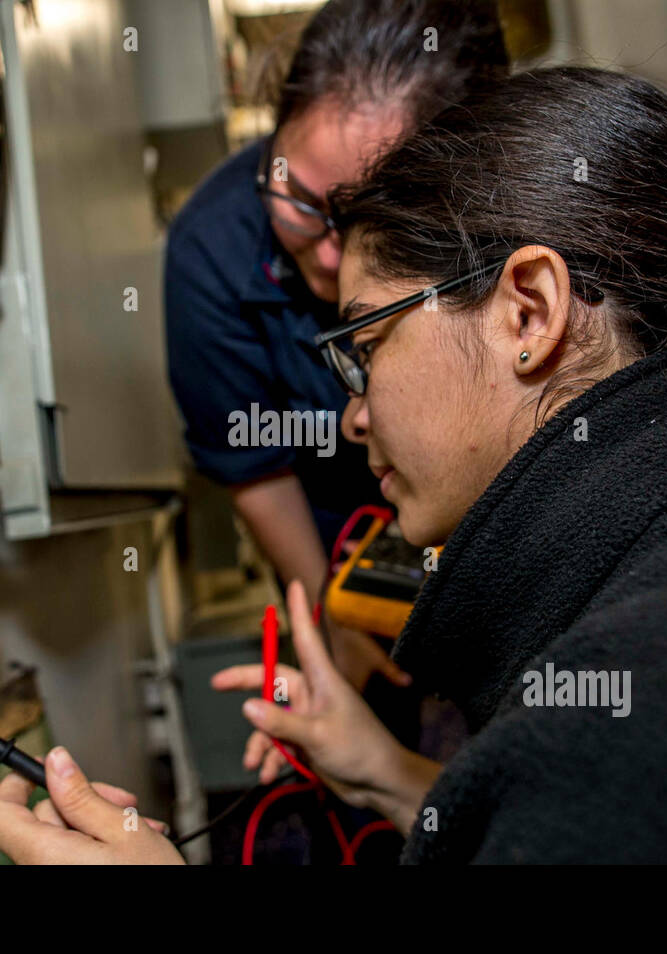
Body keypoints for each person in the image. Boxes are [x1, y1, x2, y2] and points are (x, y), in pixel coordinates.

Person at [0, 66, 667, 864]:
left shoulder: (665, 715)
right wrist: (386, 773)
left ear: (528, 312)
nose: (353, 416)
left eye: (365, 342)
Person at [163, 0, 507, 693]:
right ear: (276, 129)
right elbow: (253, 467)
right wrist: (329, 615)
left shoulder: (512, 223)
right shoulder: (210, 252)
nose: (326, 255)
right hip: (335, 545)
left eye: (361, 216)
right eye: (302, 199)